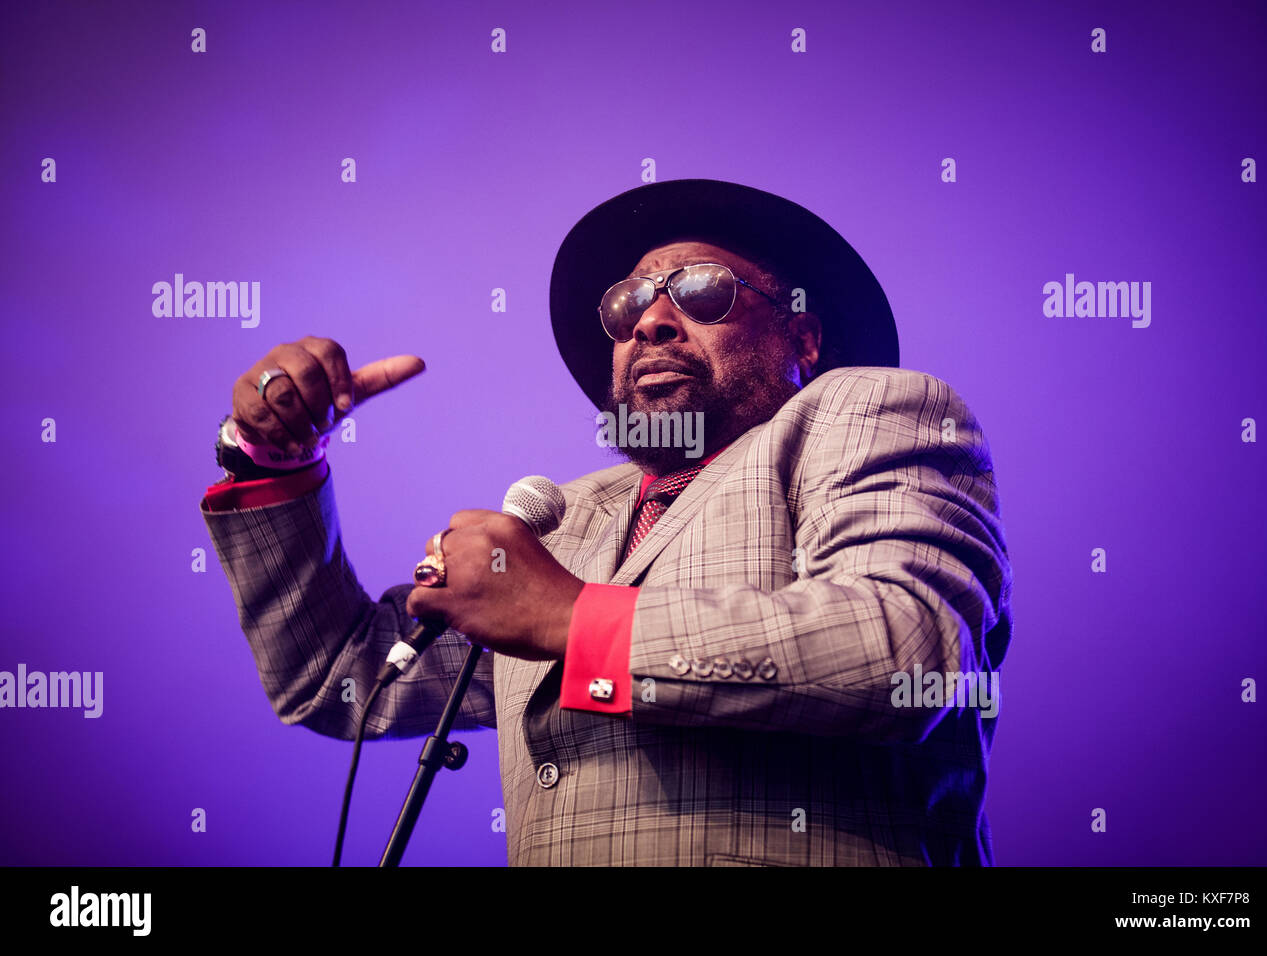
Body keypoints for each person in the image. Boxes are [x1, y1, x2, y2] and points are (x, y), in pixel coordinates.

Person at [201, 178, 1014, 866]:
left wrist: (570, 619)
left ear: (802, 333)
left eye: (701, 291)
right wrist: (276, 464)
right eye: (628, 305)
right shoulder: (567, 523)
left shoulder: (867, 410)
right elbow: (339, 679)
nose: (649, 323)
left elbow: (910, 649)